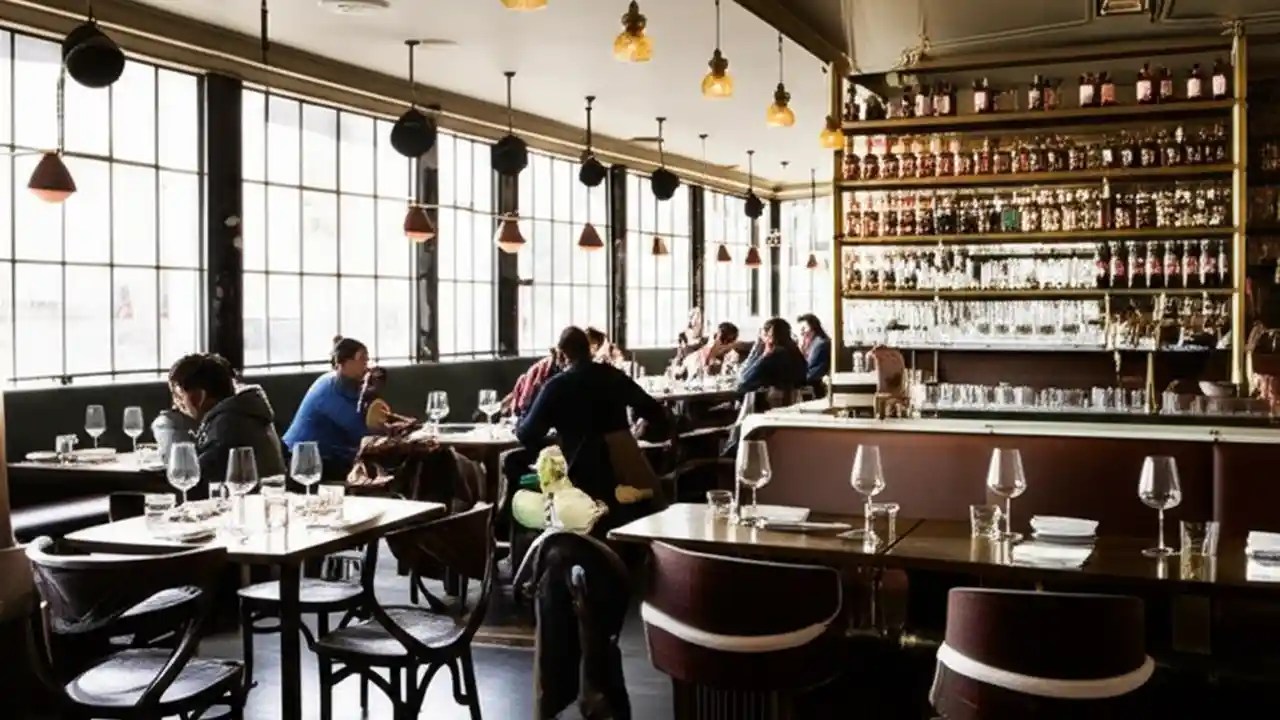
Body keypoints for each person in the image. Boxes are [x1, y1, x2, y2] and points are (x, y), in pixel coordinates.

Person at [516, 326, 671, 526]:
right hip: (625, 466)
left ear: (562, 354)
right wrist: (638, 430)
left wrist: (522, 420)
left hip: (578, 474)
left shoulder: (555, 386)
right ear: (589, 349)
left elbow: (527, 433)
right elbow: (655, 411)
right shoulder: (613, 376)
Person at [168, 353, 287, 489]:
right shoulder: (243, 412)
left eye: (179, 396)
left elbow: (194, 481)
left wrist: (165, 430)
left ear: (198, 396)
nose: (176, 405)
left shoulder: (228, 425)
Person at [282, 336, 372, 481]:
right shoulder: (328, 390)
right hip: (301, 462)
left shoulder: (345, 385)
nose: (367, 366)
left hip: (327, 457)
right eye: (362, 359)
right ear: (345, 362)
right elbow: (360, 431)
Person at [737, 317, 808, 397]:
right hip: (792, 401)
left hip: (767, 403)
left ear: (769, 336)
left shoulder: (772, 356)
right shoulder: (795, 352)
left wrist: (762, 354)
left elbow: (744, 378)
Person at [797, 313, 832, 398]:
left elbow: (810, 366)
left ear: (813, 328)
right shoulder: (810, 343)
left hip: (817, 384)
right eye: (800, 329)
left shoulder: (820, 344)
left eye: (804, 328)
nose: (802, 332)